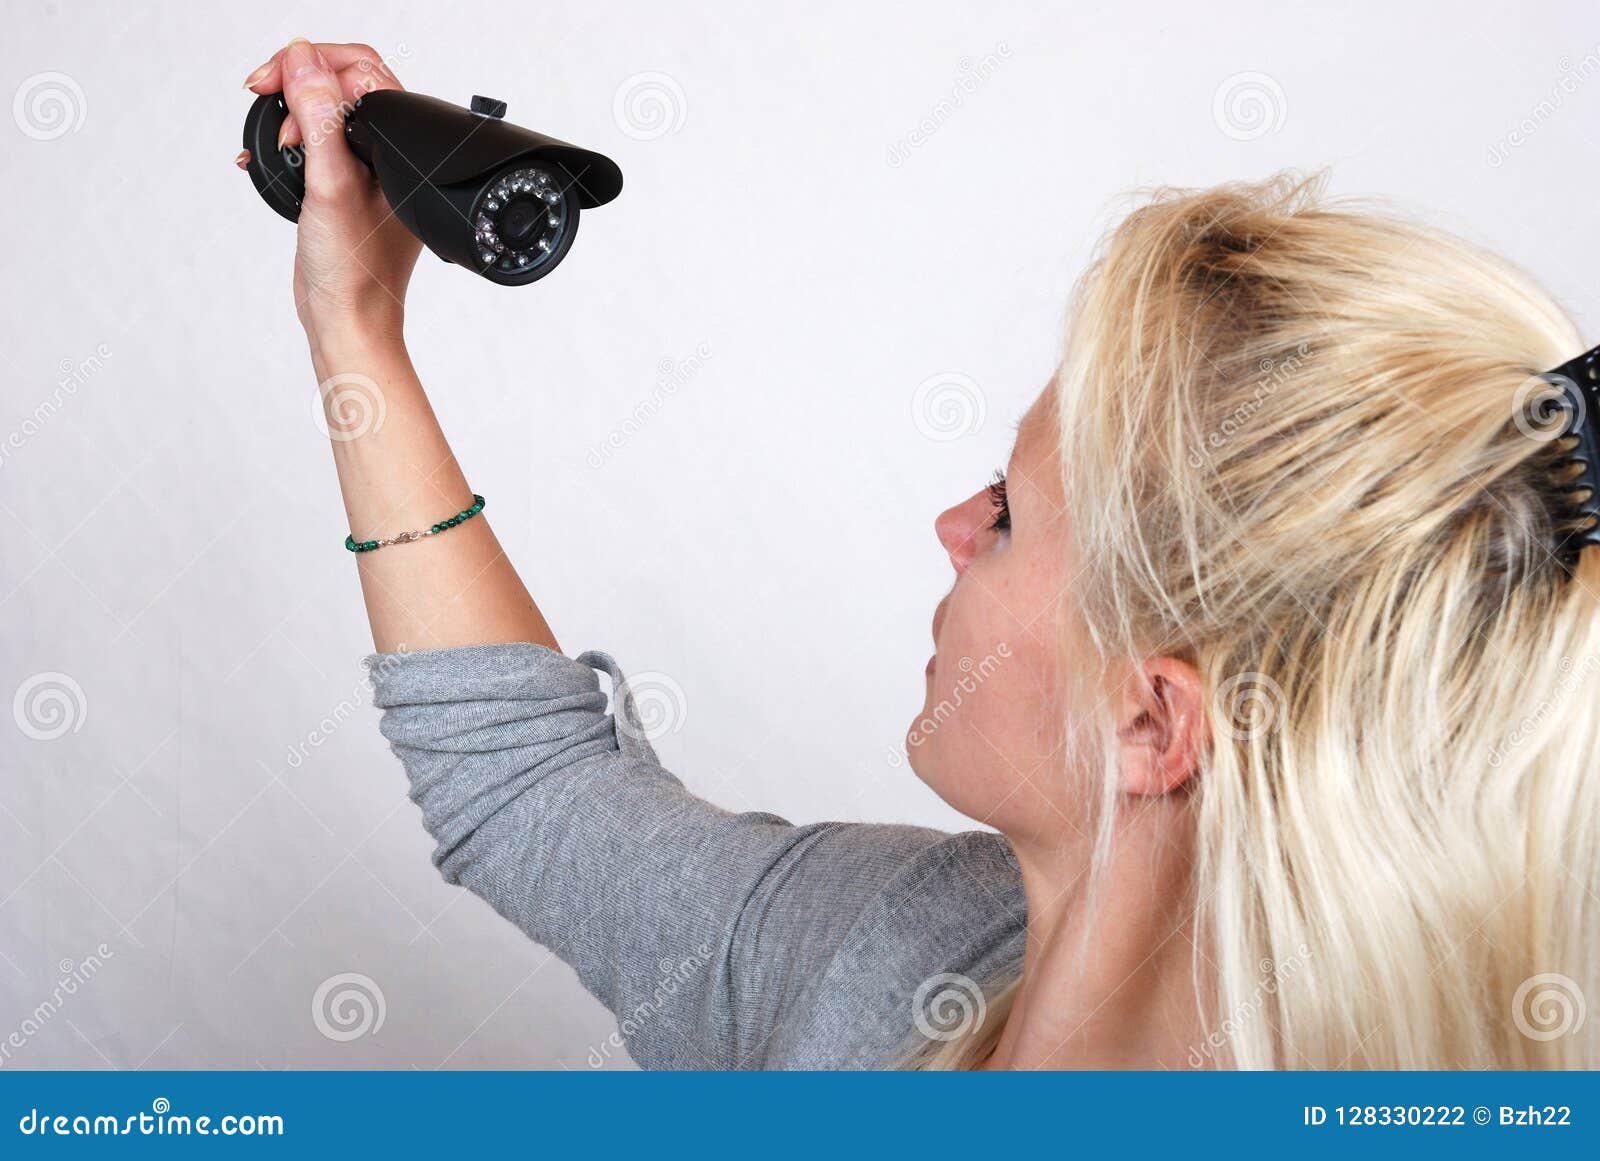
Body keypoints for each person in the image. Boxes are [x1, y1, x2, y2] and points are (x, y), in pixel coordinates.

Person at [240, 38, 1600, 1069]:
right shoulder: (884, 959)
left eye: (1006, 513)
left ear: (1151, 719)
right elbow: (528, 786)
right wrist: (356, 322)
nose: (954, 527)